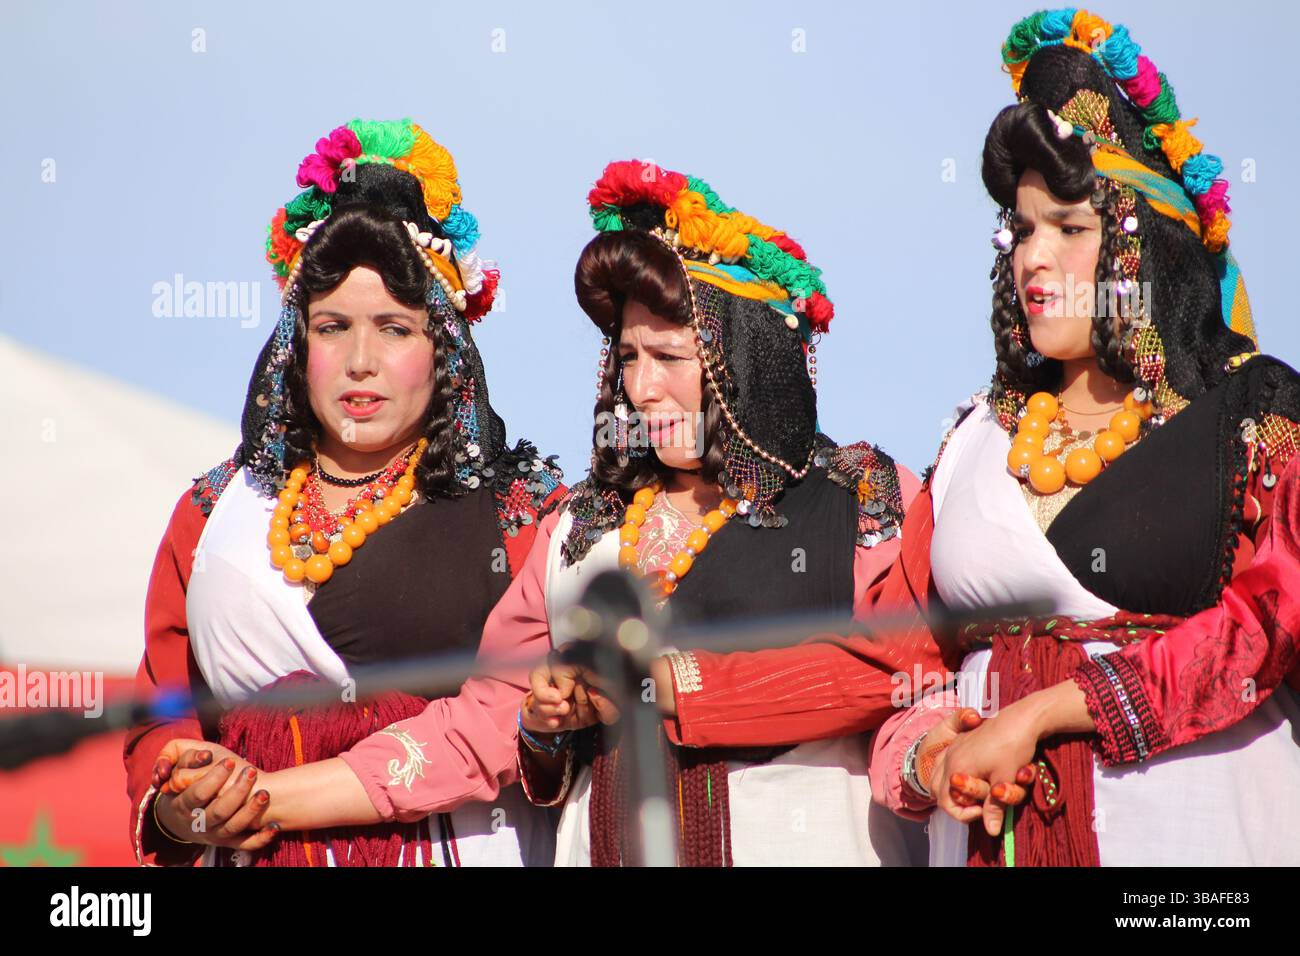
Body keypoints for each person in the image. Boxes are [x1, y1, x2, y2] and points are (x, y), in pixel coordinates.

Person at [867, 10, 1300, 866]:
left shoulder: (1255, 415)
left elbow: (1267, 624)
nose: (1034, 258)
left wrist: (1040, 711)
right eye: (1020, 229)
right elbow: (891, 668)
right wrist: (933, 755)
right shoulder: (971, 443)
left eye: (1069, 229)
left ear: (1150, 245)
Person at [125, 119, 565, 866]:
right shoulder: (212, 512)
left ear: (445, 348)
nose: (361, 361)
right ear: (298, 347)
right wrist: (183, 806)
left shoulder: (523, 516)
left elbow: (523, 723)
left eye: (395, 328)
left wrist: (269, 789)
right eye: (333, 327)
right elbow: (163, 712)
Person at [503, 160, 944, 865]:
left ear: (753, 359)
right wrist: (542, 725)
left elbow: (901, 667)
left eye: (671, 356)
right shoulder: (579, 529)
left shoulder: (857, 498)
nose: (642, 389)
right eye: (628, 357)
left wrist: (671, 683)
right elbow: (495, 713)